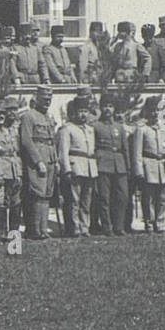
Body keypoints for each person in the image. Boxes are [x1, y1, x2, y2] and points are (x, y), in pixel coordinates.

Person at [19, 86, 58, 239]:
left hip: (50, 159)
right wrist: (38, 161)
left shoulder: (48, 117)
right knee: (37, 194)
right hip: (38, 161)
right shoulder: (29, 116)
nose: (47, 102)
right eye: (45, 99)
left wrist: (55, 160)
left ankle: (43, 229)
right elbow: (26, 141)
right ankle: (34, 230)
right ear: (37, 98)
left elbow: (51, 140)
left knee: (47, 195)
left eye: (49, 99)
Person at [131, 96, 165, 233]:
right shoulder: (142, 129)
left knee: (163, 198)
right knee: (148, 198)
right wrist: (139, 171)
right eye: (152, 110)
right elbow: (137, 152)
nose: (155, 113)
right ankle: (149, 224)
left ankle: (161, 224)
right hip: (148, 165)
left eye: (158, 110)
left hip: (163, 166)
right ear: (148, 111)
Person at [57, 96, 98, 238]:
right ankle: (74, 228)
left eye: (85, 111)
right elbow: (63, 151)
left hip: (89, 168)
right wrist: (66, 169)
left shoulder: (90, 130)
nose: (83, 114)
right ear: (74, 112)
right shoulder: (67, 129)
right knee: (74, 200)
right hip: (75, 168)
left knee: (86, 201)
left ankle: (84, 227)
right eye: (80, 111)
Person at [92, 95, 131, 235]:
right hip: (103, 164)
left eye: (110, 106)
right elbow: (93, 147)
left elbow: (125, 148)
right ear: (101, 108)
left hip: (119, 164)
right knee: (104, 197)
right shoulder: (96, 126)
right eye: (105, 106)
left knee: (122, 196)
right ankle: (107, 227)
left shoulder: (119, 127)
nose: (108, 109)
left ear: (114, 109)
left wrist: (128, 167)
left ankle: (119, 226)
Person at [0, 97, 23, 242]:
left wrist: (18, 172)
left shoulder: (9, 130)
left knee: (15, 204)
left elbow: (15, 153)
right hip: (0, 172)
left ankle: (14, 235)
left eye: (3, 113)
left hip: (13, 171)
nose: (1, 116)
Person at [78, 21, 107, 87]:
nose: (99, 34)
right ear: (90, 32)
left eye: (100, 32)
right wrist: (83, 80)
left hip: (100, 79)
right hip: (90, 79)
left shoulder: (100, 47)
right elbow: (82, 66)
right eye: (96, 31)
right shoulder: (86, 46)